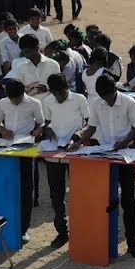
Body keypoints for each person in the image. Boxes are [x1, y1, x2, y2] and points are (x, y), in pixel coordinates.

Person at [76, 75, 135, 258]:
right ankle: (103, 241)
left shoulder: (129, 103)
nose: (106, 100)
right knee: (104, 200)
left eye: (108, 96)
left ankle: (132, 243)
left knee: (128, 201)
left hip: (124, 155)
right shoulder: (97, 104)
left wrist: (124, 141)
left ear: (115, 89)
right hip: (104, 155)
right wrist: (79, 141)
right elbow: (91, 128)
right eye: (102, 96)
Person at [40, 74, 90, 248]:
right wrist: (47, 131)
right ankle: (62, 232)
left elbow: (89, 124)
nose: (59, 97)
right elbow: (46, 123)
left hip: (75, 152)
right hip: (54, 153)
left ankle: (82, 231)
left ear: (67, 87)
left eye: (61, 93)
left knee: (79, 193)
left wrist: (77, 138)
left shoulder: (79, 99)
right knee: (56, 194)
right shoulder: (47, 101)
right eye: (56, 94)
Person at [0, 79, 45, 241]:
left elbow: (42, 123)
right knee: (6, 186)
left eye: (17, 99)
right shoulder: (2, 102)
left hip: (26, 148)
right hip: (7, 148)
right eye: (12, 99)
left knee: (25, 189)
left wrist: (37, 131)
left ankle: (23, 228)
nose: (15, 102)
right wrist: (2, 129)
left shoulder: (34, 103)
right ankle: (4, 224)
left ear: (23, 94)